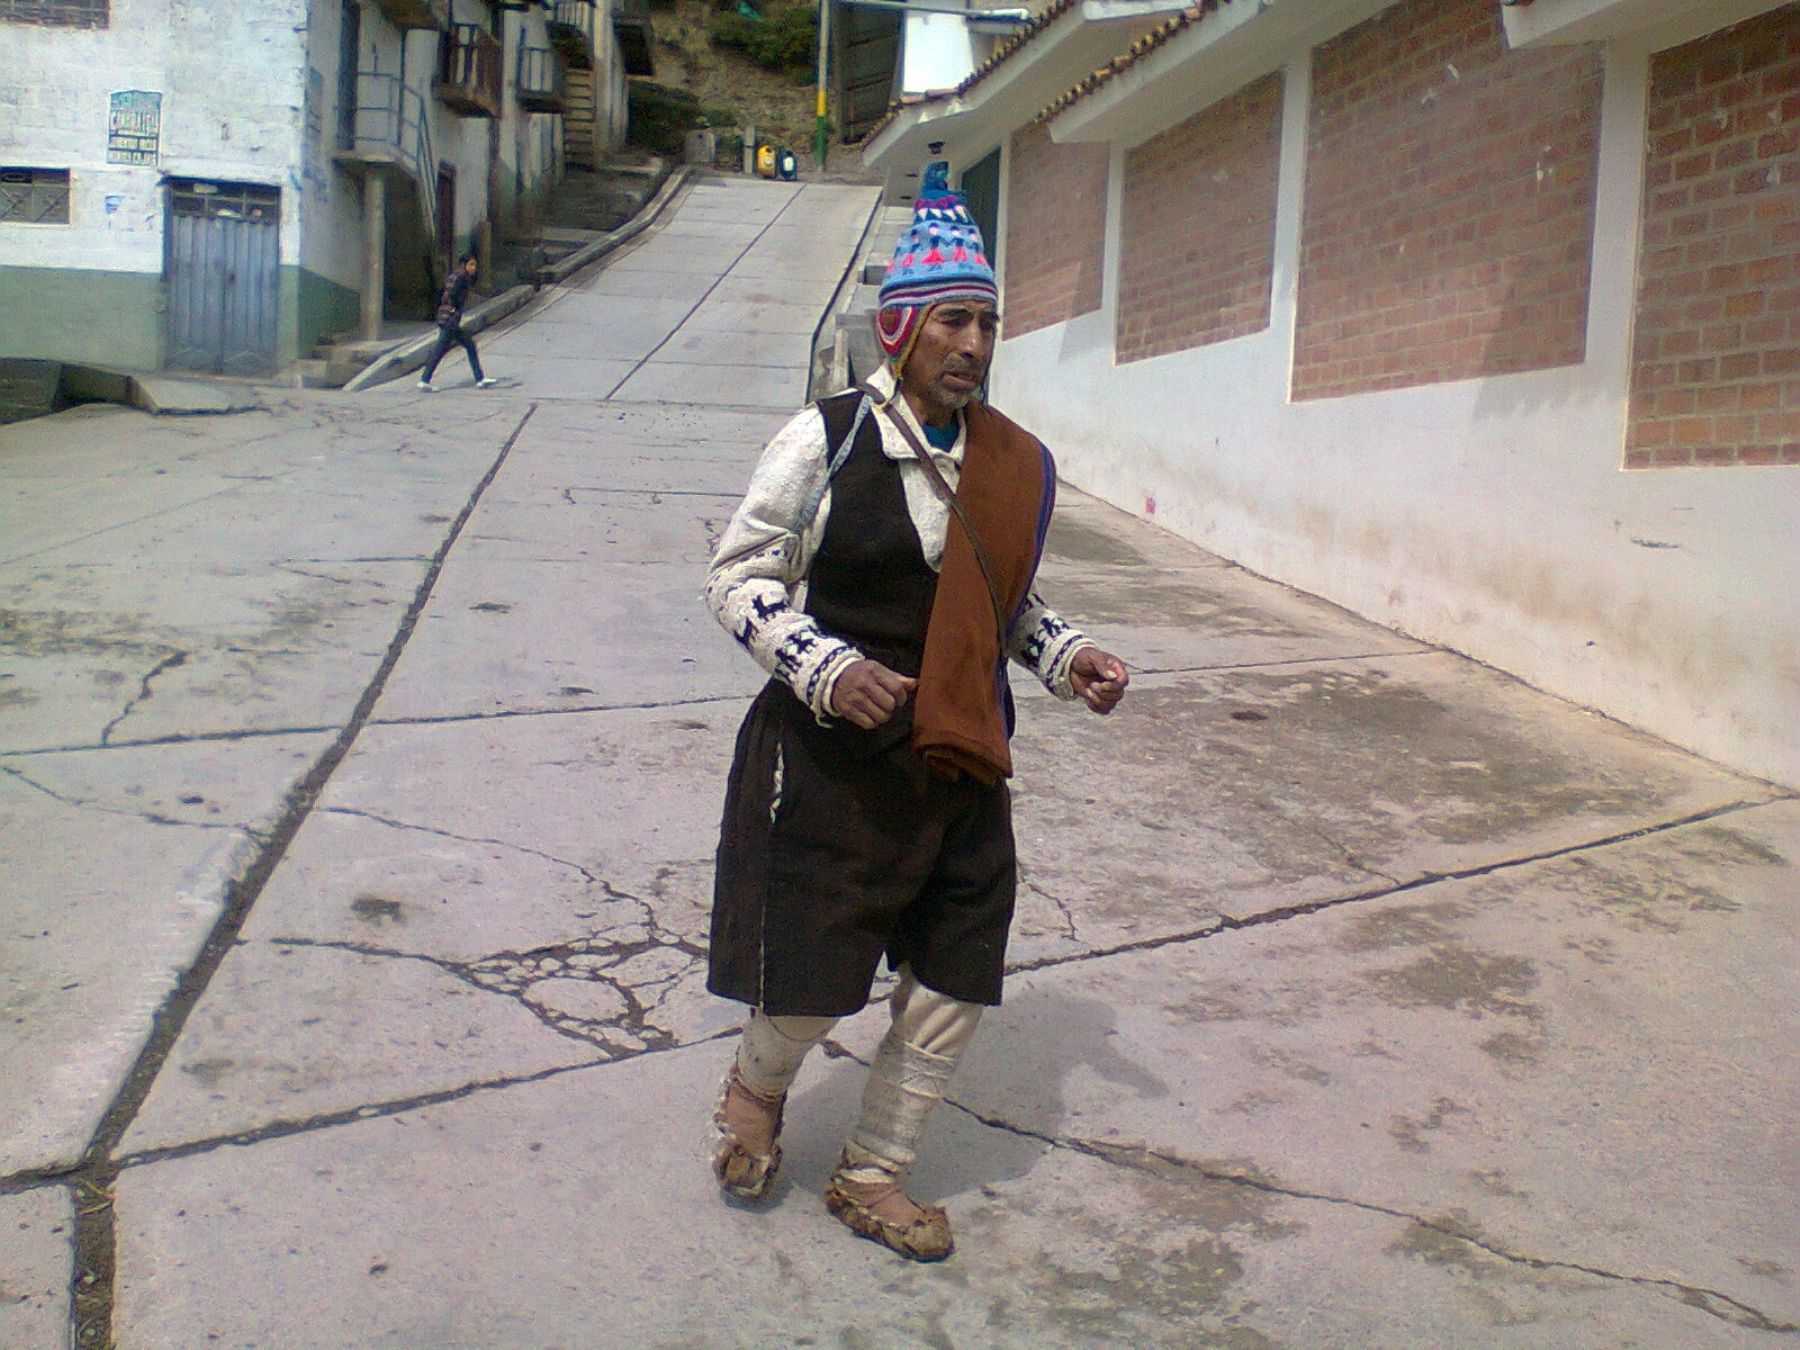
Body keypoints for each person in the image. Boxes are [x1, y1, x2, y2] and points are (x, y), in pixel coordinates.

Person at [701, 162, 1129, 1262]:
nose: (976, 345)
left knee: (955, 972)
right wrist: (822, 664)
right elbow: (740, 574)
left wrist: (1064, 653)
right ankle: (754, 1094)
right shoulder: (828, 439)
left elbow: (1000, 597)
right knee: (812, 979)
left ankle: (873, 1170)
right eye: (954, 320)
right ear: (902, 328)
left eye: (988, 323)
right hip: (838, 761)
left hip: (960, 759)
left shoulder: (1007, 462)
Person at [417, 253, 497, 391]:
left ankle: (479, 378)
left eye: (474, 265)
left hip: (447, 319)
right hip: (450, 321)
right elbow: (452, 294)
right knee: (440, 350)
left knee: (468, 346)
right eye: (471, 264)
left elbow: (444, 292)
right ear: (463, 265)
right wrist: (454, 308)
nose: (473, 268)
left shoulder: (454, 275)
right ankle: (425, 379)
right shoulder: (462, 277)